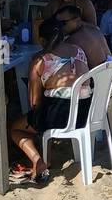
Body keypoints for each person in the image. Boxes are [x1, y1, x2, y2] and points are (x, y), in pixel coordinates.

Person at [9, 18, 91, 185]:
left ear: (42, 40)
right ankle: (47, 150)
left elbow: (34, 102)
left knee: (15, 128)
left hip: (59, 117)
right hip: (84, 113)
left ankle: (37, 159)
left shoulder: (41, 62)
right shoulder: (79, 51)